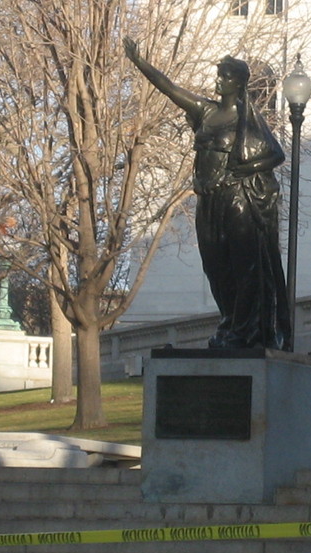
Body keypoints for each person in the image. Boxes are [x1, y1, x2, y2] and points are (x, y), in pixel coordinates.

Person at [124, 37, 290, 349]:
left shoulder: (246, 120)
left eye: (225, 76)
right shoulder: (205, 112)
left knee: (244, 267)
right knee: (215, 267)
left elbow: (276, 155)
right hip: (208, 199)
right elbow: (169, 88)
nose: (218, 80)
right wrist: (140, 62)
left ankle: (244, 331)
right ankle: (229, 323)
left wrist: (246, 167)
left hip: (237, 198)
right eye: (219, 74)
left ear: (238, 83)